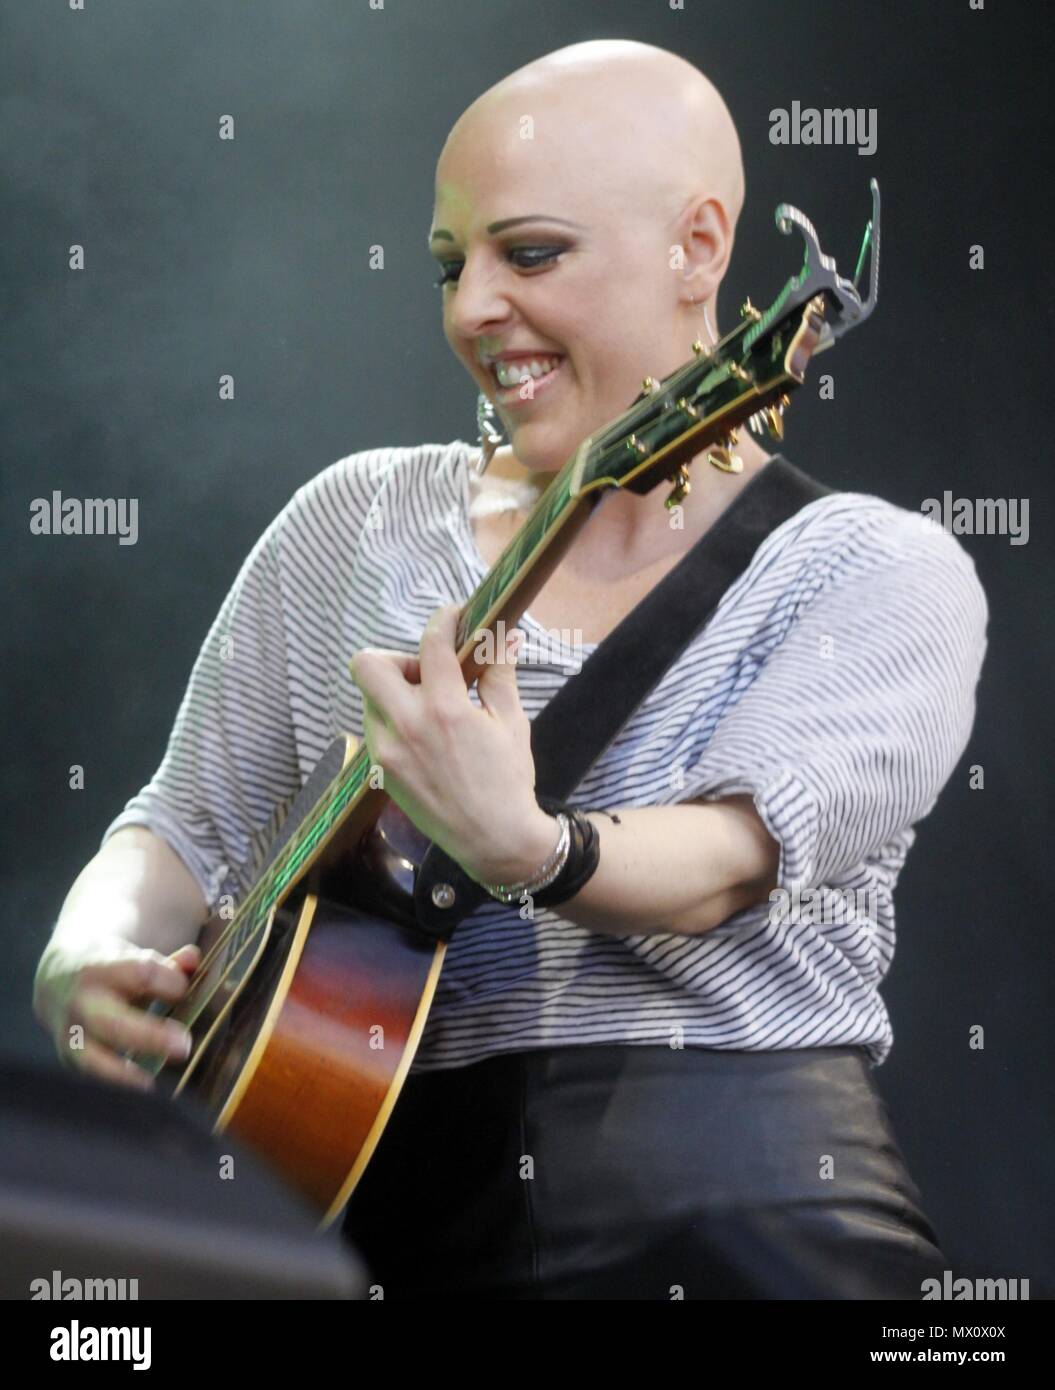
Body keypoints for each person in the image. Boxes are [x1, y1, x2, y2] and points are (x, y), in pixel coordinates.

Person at [33, 40, 988, 1299]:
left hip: (743, 1212)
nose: (470, 306)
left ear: (698, 247)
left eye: (528, 254)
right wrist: (84, 953)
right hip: (363, 1202)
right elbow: (178, 824)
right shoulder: (355, 517)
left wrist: (532, 846)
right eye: (450, 264)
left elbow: (721, 867)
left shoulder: (871, 567)